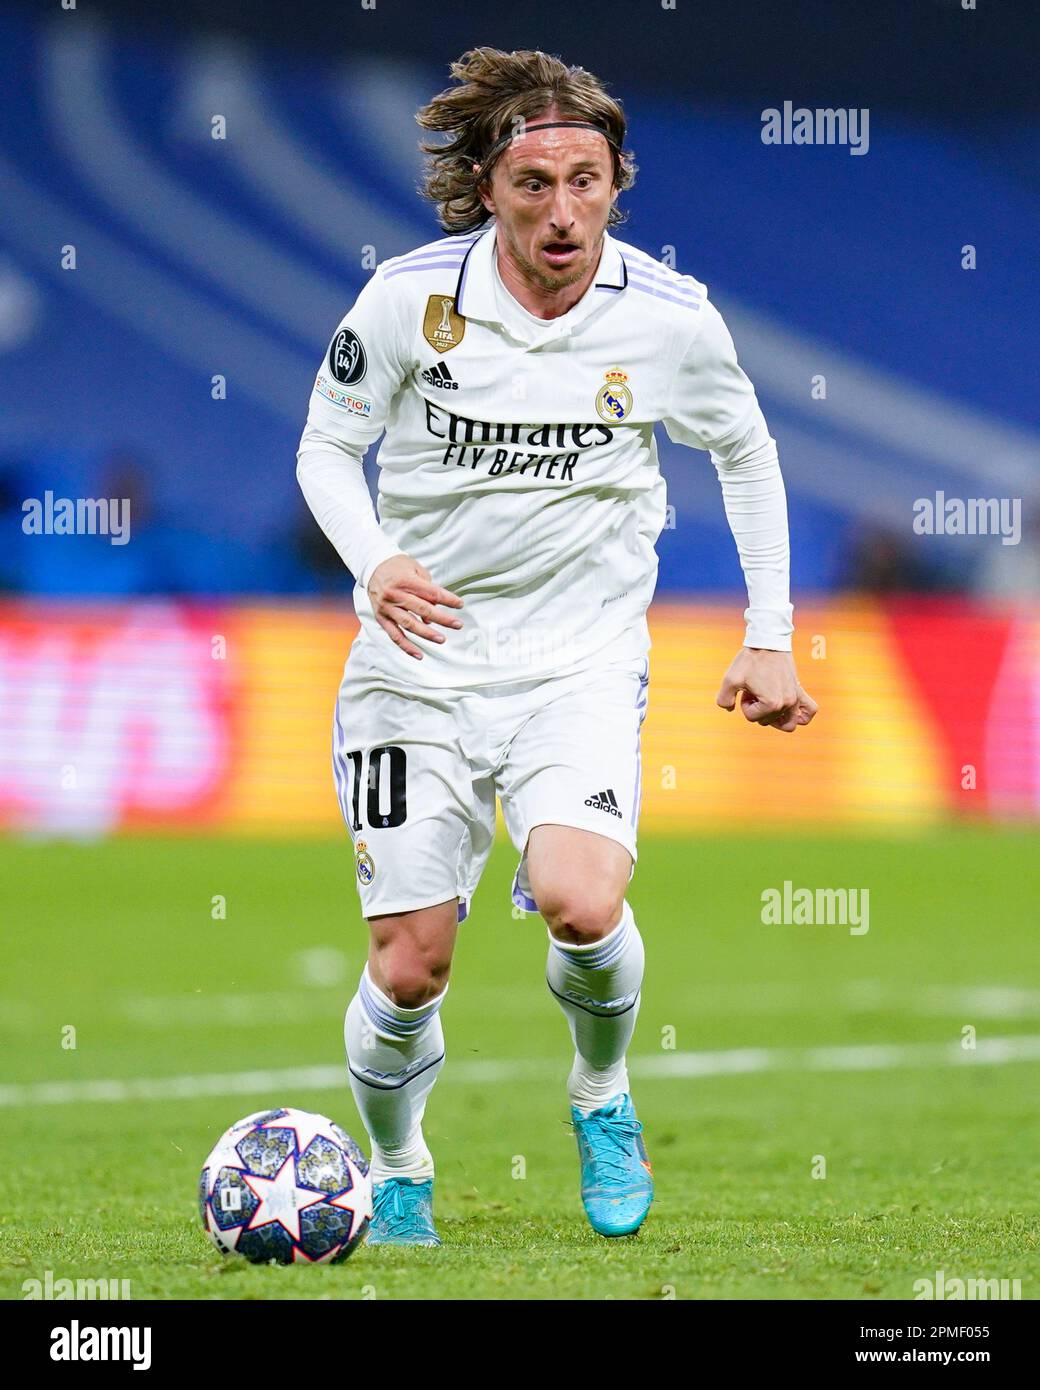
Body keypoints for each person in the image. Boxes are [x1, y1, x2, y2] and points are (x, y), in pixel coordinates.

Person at [296, 46, 817, 1246]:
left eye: (585, 179)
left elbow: (743, 451)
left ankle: (598, 1092)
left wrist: (771, 636)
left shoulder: (670, 320)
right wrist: (376, 559)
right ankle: (398, 1164)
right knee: (411, 963)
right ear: (489, 188)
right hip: (414, 668)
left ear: (615, 185)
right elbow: (324, 448)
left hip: (575, 663)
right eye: (533, 182)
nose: (560, 209)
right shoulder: (404, 301)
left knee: (582, 902)